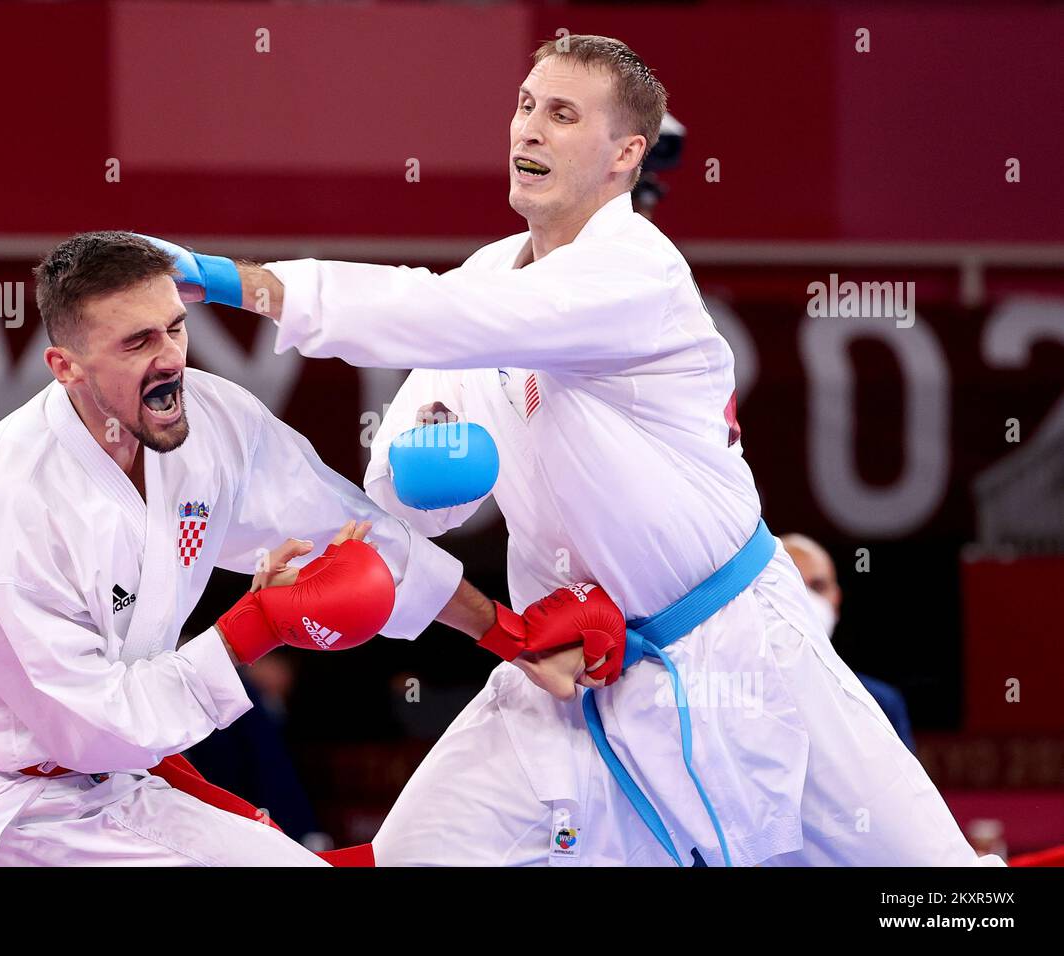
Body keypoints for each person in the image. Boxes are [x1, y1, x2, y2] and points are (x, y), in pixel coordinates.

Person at [149, 35, 995, 866]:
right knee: (416, 856)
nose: (528, 130)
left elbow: (446, 318)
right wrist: (427, 462)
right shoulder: (487, 280)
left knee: (942, 888)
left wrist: (239, 282)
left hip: (743, 652)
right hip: (565, 672)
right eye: (524, 107)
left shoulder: (637, 273)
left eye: (561, 114)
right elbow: (405, 494)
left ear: (627, 153)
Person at [0, 232, 606, 867]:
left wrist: (506, 635)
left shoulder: (208, 424)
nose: (170, 357)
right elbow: (93, 729)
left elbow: (351, 531)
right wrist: (256, 626)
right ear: (66, 367)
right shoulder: (7, 514)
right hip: (2, 814)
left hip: (113, 789)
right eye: (138, 341)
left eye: (174, 327)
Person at [781, 533, 916, 753]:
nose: (808, 600)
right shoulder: (736, 696)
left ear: (836, 599)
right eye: (792, 584)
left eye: (818, 586)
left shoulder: (879, 704)